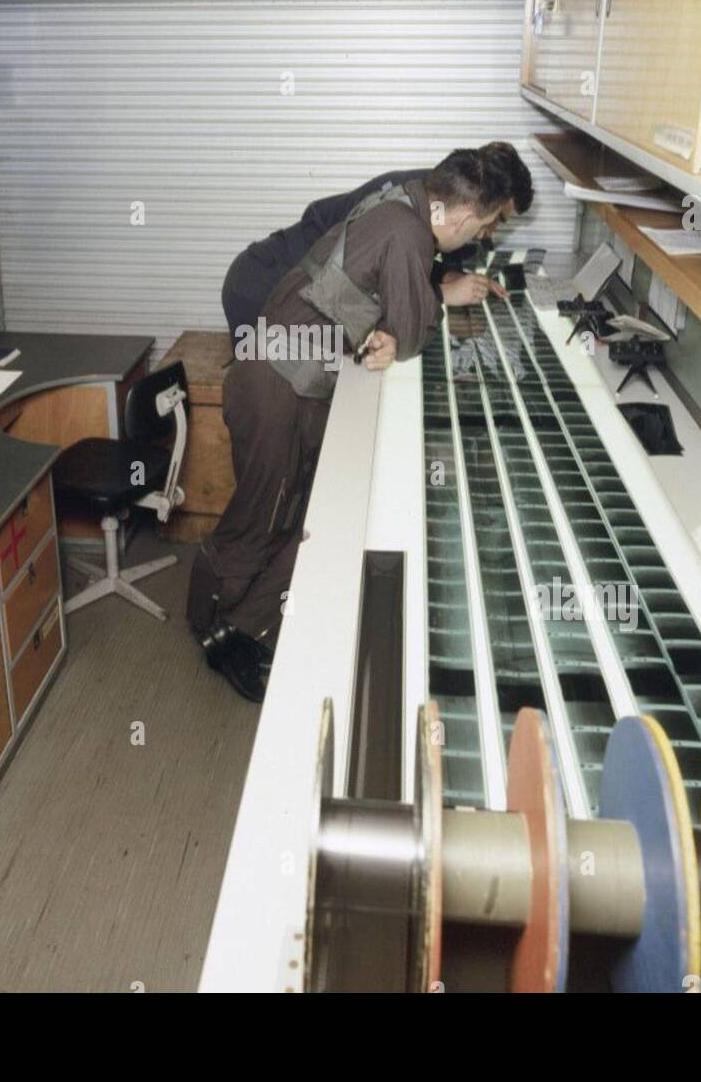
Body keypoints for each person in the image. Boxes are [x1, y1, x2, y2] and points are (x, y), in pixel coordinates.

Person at [189, 148, 512, 701]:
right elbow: (410, 330)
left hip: (279, 376)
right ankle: (219, 631)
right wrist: (403, 329)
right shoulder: (411, 235)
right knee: (266, 516)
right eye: (482, 228)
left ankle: (235, 624)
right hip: (277, 388)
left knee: (296, 510)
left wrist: (384, 328)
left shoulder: (397, 203)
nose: (478, 239)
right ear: (459, 216)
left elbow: (362, 297)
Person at [220, 141, 534, 347]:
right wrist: (441, 294)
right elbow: (357, 285)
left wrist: (446, 276)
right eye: (496, 218)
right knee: (282, 402)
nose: (490, 231)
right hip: (265, 284)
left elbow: (402, 262)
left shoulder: (438, 199)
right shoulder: (403, 205)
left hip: (296, 283)